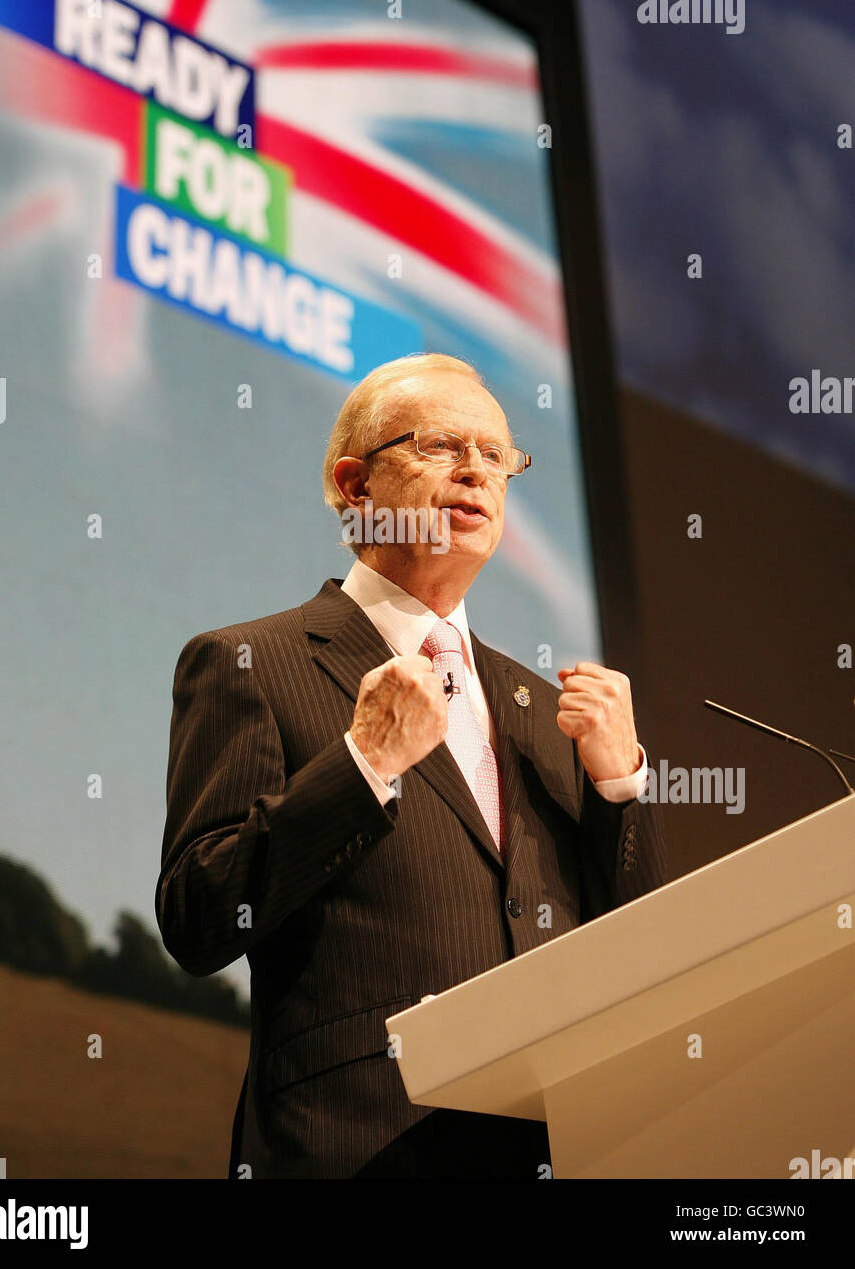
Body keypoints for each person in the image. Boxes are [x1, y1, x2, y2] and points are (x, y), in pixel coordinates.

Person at [156, 352, 666, 1178]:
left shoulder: (545, 710)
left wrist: (619, 787)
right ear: (355, 485)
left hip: (556, 1148)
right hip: (357, 1146)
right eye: (439, 446)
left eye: (496, 456)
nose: (476, 473)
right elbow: (199, 916)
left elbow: (639, 955)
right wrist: (363, 763)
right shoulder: (248, 662)